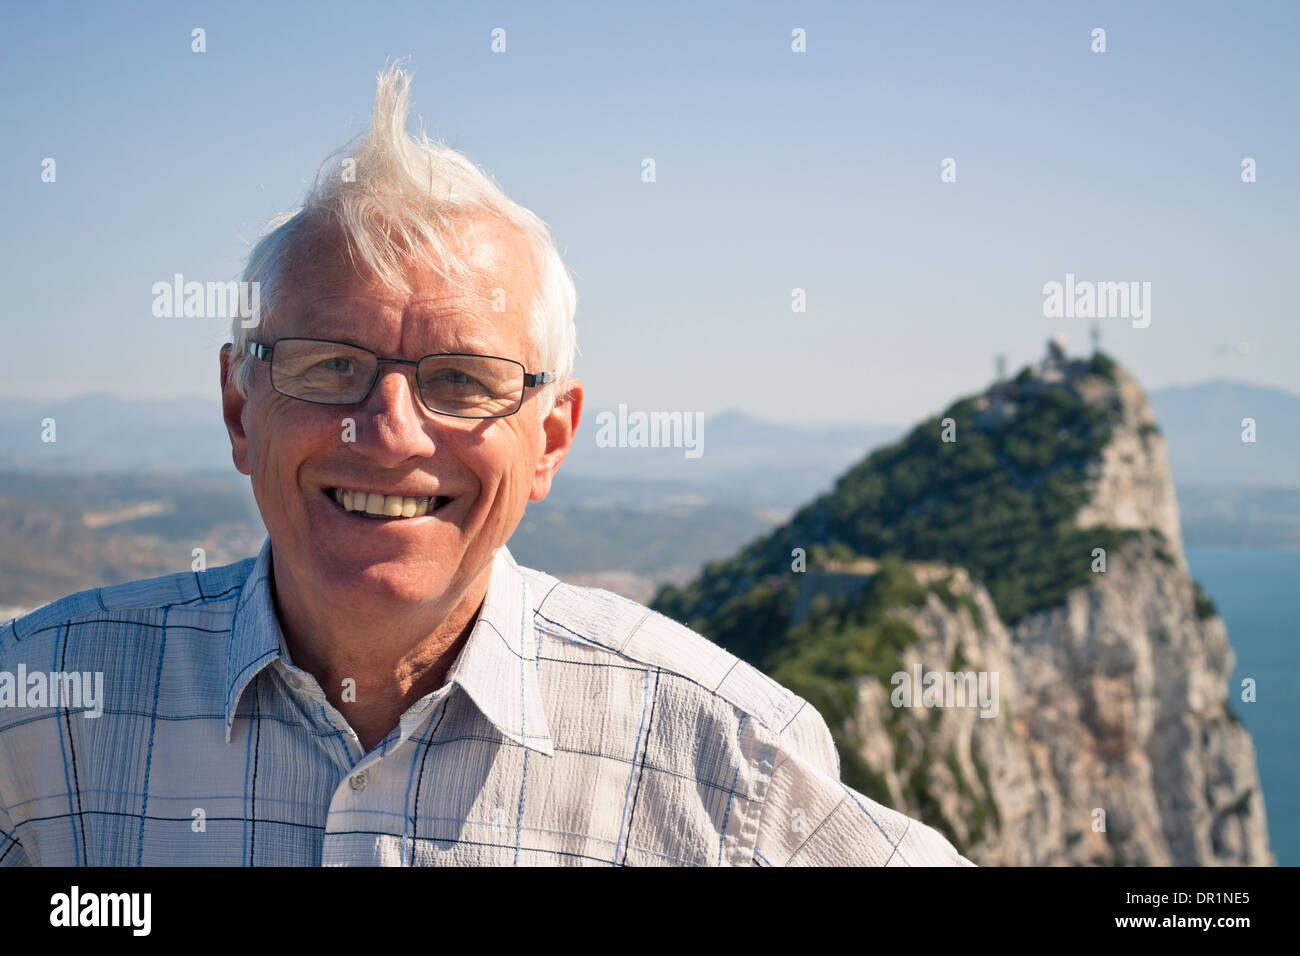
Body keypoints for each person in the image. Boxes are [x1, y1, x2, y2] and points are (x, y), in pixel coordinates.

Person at [0, 66, 972, 867]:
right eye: (330, 364)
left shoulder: (729, 769)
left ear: (549, 438)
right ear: (236, 407)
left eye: (462, 380)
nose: (388, 430)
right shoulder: (40, 710)